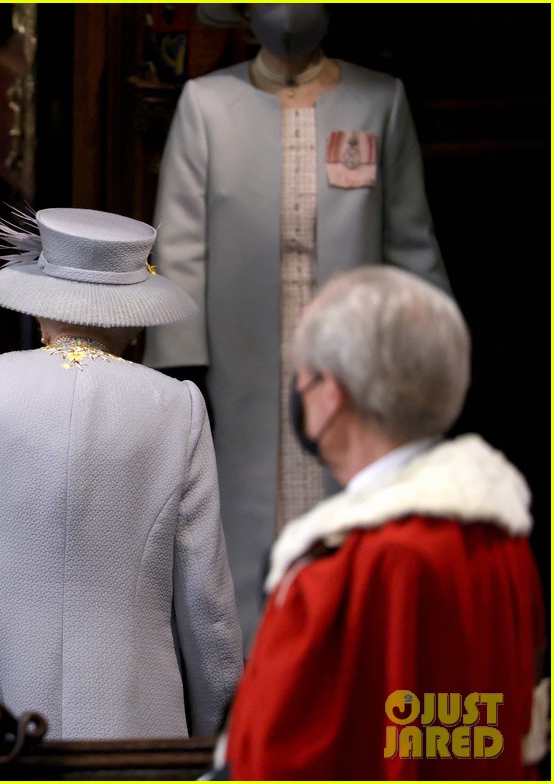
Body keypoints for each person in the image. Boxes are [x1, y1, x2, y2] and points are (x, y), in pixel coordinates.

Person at [0, 207, 242, 740]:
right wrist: (216, 739)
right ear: (133, 317)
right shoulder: (178, 408)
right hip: (135, 728)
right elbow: (208, 610)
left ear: (40, 308)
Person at [142, 3, 451, 650]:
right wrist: (181, 377)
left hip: (357, 370)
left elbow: (411, 245)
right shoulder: (206, 105)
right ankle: (249, 686)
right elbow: (180, 251)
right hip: (238, 370)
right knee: (236, 529)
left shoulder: (379, 101)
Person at [224, 266, 547, 779]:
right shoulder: (504, 538)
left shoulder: (343, 568)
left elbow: (273, 761)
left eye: (302, 375)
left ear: (331, 394)